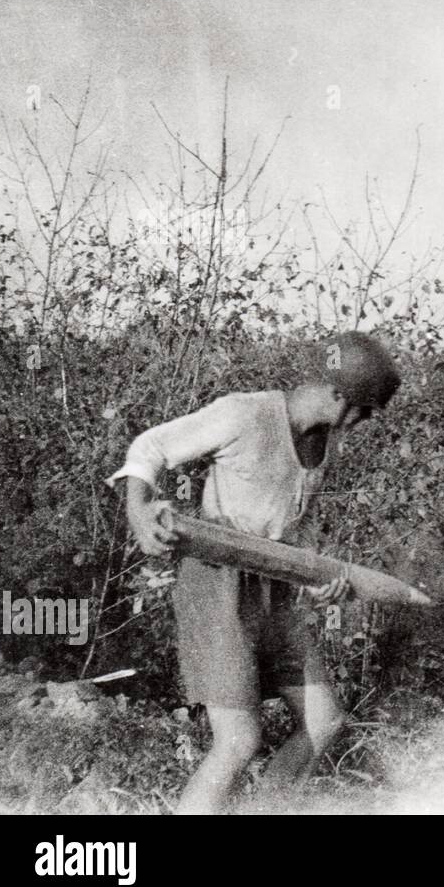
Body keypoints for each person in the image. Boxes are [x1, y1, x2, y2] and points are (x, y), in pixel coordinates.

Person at [107, 331, 401, 813]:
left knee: (323, 722)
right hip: (215, 582)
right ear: (338, 394)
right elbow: (150, 447)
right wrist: (139, 513)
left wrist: (321, 581)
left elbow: (294, 526)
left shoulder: (326, 444)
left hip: (277, 588)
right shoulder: (243, 413)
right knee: (239, 742)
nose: (367, 421)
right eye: (366, 409)